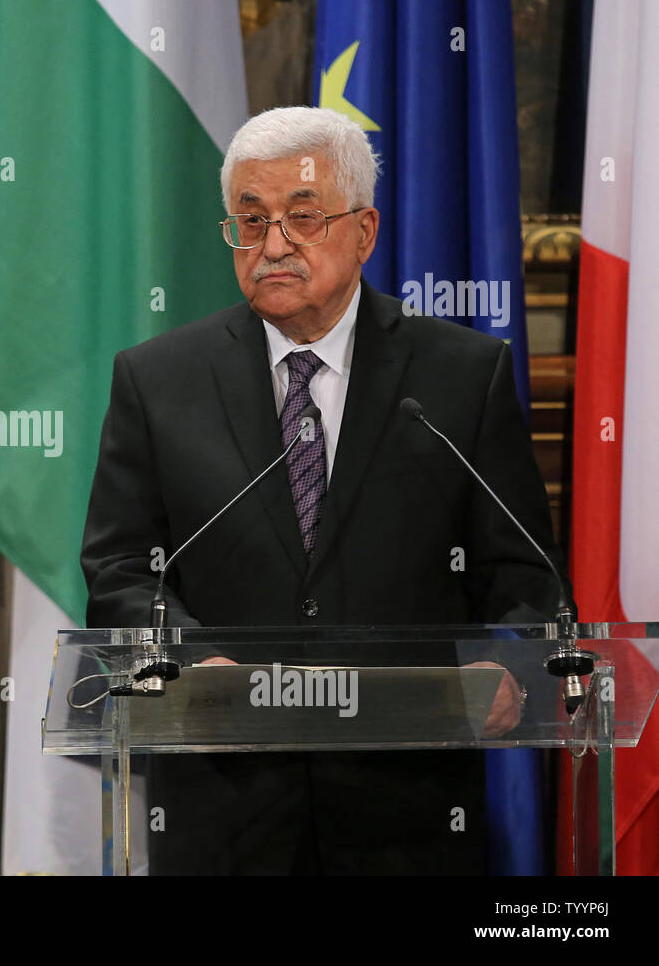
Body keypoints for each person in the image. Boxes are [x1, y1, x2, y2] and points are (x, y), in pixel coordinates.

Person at [80, 106, 565, 874]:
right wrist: (191, 663)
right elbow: (118, 573)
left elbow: (527, 578)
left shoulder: (461, 378)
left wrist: (507, 669)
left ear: (364, 231)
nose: (273, 245)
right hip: (222, 809)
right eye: (250, 220)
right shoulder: (158, 380)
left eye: (302, 217)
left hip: (407, 815)